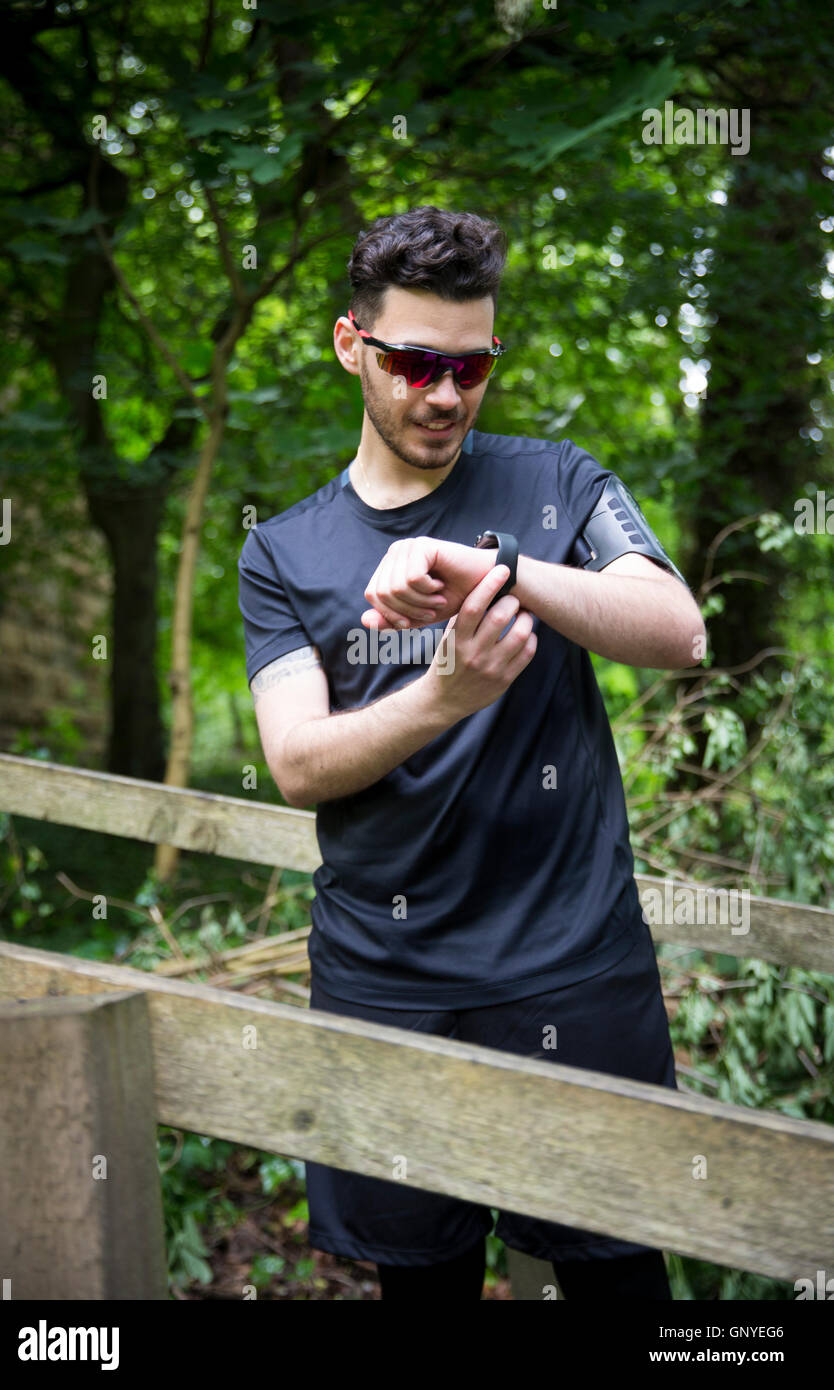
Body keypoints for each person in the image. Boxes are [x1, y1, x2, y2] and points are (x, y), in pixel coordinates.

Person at [238, 205, 705, 1301]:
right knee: (422, 1285)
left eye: (470, 365)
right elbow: (298, 763)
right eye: (412, 362)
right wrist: (446, 694)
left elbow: (678, 632)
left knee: (617, 1278)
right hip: (387, 984)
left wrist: (492, 569)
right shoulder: (281, 549)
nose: (443, 394)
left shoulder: (555, 480)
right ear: (351, 343)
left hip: (575, 967)